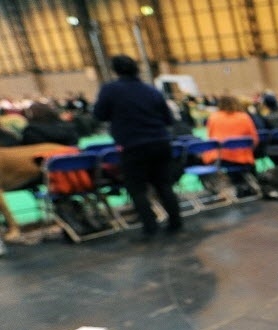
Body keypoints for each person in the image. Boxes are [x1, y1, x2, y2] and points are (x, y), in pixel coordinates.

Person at [93, 55, 182, 239]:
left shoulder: (110, 90)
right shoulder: (151, 90)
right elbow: (168, 119)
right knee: (164, 185)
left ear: (115, 70)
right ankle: (175, 222)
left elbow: (99, 115)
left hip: (133, 145)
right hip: (160, 142)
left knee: (137, 188)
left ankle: (150, 227)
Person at [203, 93, 260, 167]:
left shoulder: (213, 117)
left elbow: (211, 137)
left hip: (218, 159)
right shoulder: (244, 117)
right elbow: (254, 140)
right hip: (243, 159)